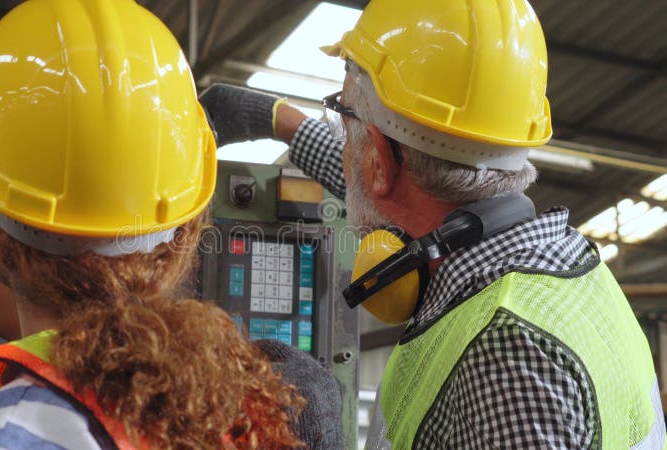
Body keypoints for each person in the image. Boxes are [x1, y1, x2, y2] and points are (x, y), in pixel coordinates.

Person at [199, 0, 666, 448]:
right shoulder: (571, 273)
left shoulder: (507, 363)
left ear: (379, 160)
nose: (345, 143)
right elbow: (394, 182)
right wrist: (281, 120)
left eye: (344, 118)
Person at [0, 0, 343, 448]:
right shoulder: (272, 407)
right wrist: (57, 339)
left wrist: (45, 333)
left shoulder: (6, 436)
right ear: (182, 234)